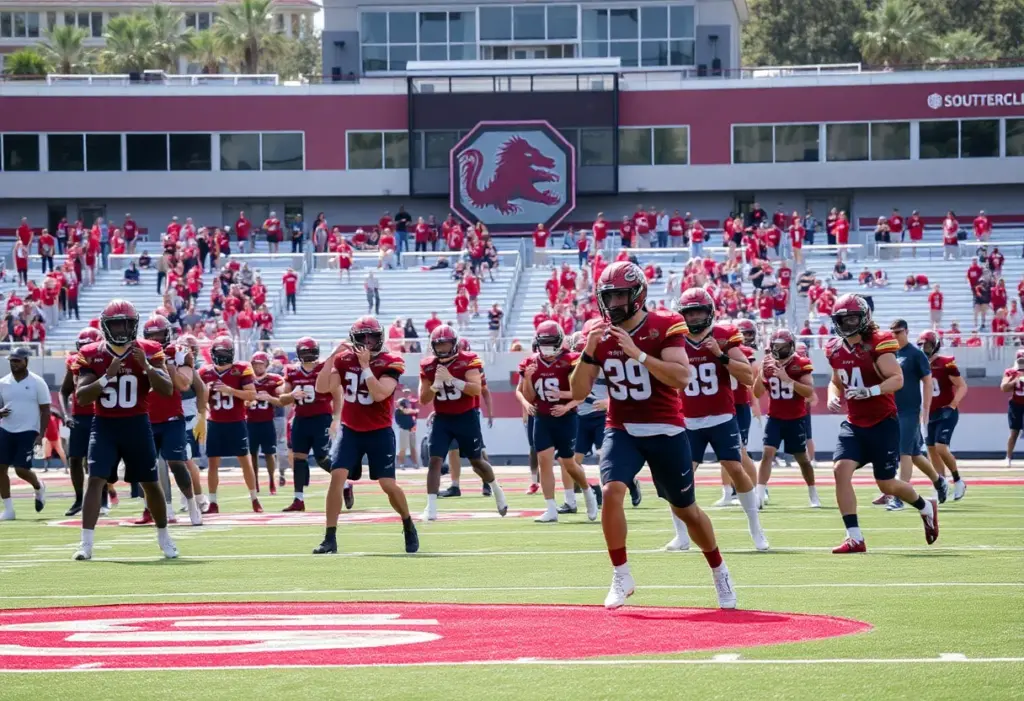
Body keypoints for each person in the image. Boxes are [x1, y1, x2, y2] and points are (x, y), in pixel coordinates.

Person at [569, 261, 736, 610]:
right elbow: (578, 391)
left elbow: (681, 377)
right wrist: (588, 351)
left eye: (619, 295)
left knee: (687, 511)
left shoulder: (663, 325)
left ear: (638, 294)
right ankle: (621, 573)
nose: (613, 304)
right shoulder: (600, 334)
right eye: (608, 296)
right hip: (622, 427)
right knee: (613, 491)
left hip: (666, 428)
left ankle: (719, 569)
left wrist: (638, 353)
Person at [825, 294, 939, 553]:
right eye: (843, 318)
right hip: (854, 423)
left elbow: (897, 378)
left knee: (886, 484)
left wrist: (870, 391)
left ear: (864, 318)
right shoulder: (833, 348)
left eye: (852, 317)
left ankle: (925, 506)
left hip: (882, 422)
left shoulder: (879, 343)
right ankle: (854, 537)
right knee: (840, 470)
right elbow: (835, 380)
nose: (847, 323)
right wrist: (833, 396)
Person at [71, 300, 178, 560]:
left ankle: (164, 536)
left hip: (137, 424)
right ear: (106, 326)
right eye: (116, 323)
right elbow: (82, 397)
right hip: (105, 424)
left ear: (135, 325)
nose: (121, 329)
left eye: (127, 323)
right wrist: (106, 376)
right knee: (95, 478)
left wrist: (148, 367)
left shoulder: (149, 350)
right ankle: (86, 544)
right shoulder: (91, 352)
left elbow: (167, 389)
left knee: (150, 484)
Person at [314, 318, 418, 554]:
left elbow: (380, 394)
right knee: (337, 477)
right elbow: (322, 388)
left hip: (379, 431)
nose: (368, 342)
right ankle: (329, 537)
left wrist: (365, 367)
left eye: (372, 337)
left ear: (380, 337)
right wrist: (332, 356)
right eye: (363, 337)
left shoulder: (391, 360)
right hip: (351, 430)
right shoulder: (344, 359)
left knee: (387, 484)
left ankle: (408, 523)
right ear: (354, 338)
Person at [675, 287, 767, 551]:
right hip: (689, 420)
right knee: (679, 477)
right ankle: (681, 535)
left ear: (709, 312)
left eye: (698, 312)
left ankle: (755, 527)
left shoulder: (724, 337)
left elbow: (748, 377)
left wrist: (720, 355)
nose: (693, 318)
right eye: (688, 313)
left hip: (721, 416)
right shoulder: (675, 340)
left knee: (735, 467)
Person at [419, 324, 508, 521]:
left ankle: (496, 489)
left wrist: (451, 380)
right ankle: (431, 507)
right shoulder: (428, 365)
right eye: (438, 346)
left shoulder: (468, 360)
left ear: (455, 344)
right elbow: (423, 399)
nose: (442, 350)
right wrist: (435, 385)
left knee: (477, 462)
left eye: (446, 345)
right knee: (435, 461)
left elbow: (476, 389)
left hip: (466, 417)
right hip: (442, 418)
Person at [519, 322, 598, 523]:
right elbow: (528, 395)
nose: (546, 348)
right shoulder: (531, 362)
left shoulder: (571, 360)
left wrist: (566, 404)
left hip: (566, 418)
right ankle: (551, 508)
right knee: (544, 462)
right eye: (543, 343)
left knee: (569, 463)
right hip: (542, 418)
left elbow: (582, 392)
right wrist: (528, 379)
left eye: (550, 343)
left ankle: (588, 493)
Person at [875, 320, 950, 511]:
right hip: (892, 409)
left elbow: (927, 381)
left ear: (906, 331)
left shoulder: (915, 354)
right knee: (915, 454)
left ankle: (899, 496)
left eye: (898, 332)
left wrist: (925, 408)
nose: (894, 335)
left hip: (909, 410)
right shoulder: (890, 354)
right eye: (892, 332)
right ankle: (939, 481)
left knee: (904, 452)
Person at [139, 316, 203, 527]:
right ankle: (160, 507)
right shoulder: (140, 351)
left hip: (172, 417)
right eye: (152, 335)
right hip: (146, 417)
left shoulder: (178, 353)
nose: (157, 338)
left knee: (176, 463)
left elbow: (184, 385)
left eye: (160, 334)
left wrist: (167, 365)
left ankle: (192, 504)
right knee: (149, 467)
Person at [753, 329, 820, 508]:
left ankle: (813, 492)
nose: (779, 350)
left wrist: (787, 379)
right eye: (776, 346)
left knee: (803, 460)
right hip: (775, 417)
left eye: (782, 346)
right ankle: (759, 495)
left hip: (796, 418)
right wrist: (761, 373)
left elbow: (809, 391)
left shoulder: (801, 363)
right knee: (767, 454)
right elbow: (757, 392)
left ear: (790, 346)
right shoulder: (768, 364)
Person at [281, 337, 347, 512]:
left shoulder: (323, 368)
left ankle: (346, 485)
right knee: (298, 458)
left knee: (322, 457)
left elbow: (337, 393)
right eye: (305, 352)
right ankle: (298, 499)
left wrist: (336, 417)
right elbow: (282, 398)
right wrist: (291, 395)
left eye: (311, 352)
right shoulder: (292, 371)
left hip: (321, 418)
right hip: (301, 419)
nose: (308, 355)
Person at [198, 335, 262, 514]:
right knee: (212, 463)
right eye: (220, 352)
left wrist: (230, 390)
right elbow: (200, 401)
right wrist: (205, 393)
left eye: (225, 352)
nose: (222, 355)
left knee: (245, 461)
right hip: (215, 422)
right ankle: (213, 502)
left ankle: (254, 498)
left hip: (236, 422)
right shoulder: (205, 372)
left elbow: (252, 395)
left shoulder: (241, 369)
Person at [0, 347, 51, 521]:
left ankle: (38, 486)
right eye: (11, 361)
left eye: (17, 360)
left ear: (26, 361)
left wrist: (40, 434)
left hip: (28, 430)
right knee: (0, 469)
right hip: (6, 429)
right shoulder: (3, 382)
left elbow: (46, 410)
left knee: (21, 470)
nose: (14, 364)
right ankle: (9, 510)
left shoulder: (37, 382)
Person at [918, 330, 968, 501]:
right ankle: (942, 483)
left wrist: (952, 405)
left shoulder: (946, 363)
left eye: (928, 345)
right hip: (928, 413)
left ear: (935, 345)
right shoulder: (918, 364)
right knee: (931, 450)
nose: (924, 348)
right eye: (922, 345)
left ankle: (958, 480)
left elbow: (962, 386)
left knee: (940, 447)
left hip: (946, 411)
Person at [58, 327, 103, 516]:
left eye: (89, 346)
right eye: (82, 346)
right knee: (75, 458)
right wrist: (66, 415)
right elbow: (64, 391)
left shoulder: (104, 360)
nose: (85, 350)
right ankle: (78, 499)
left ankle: (103, 499)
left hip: (100, 415)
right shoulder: (74, 362)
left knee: (97, 460)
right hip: (79, 415)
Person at [247, 351, 284, 496]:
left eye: (261, 364)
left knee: (270, 453)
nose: (258, 367)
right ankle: (254, 481)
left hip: (267, 421)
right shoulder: (247, 380)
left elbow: (281, 400)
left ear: (267, 365)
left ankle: (271, 481)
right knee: (253, 454)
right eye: (256, 364)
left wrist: (268, 397)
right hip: (250, 421)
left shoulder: (274, 379)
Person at [1000, 350, 1024, 467]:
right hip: (1016, 404)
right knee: (1014, 432)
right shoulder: (1011, 372)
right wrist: (1015, 380)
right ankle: (1008, 457)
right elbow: (1003, 388)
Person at [395, 388, 419, 468]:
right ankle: (401, 464)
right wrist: (414, 410)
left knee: (413, 448)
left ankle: (415, 464)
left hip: (411, 430)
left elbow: (414, 412)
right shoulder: (399, 410)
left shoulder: (409, 407)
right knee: (403, 448)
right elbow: (407, 411)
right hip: (404, 430)